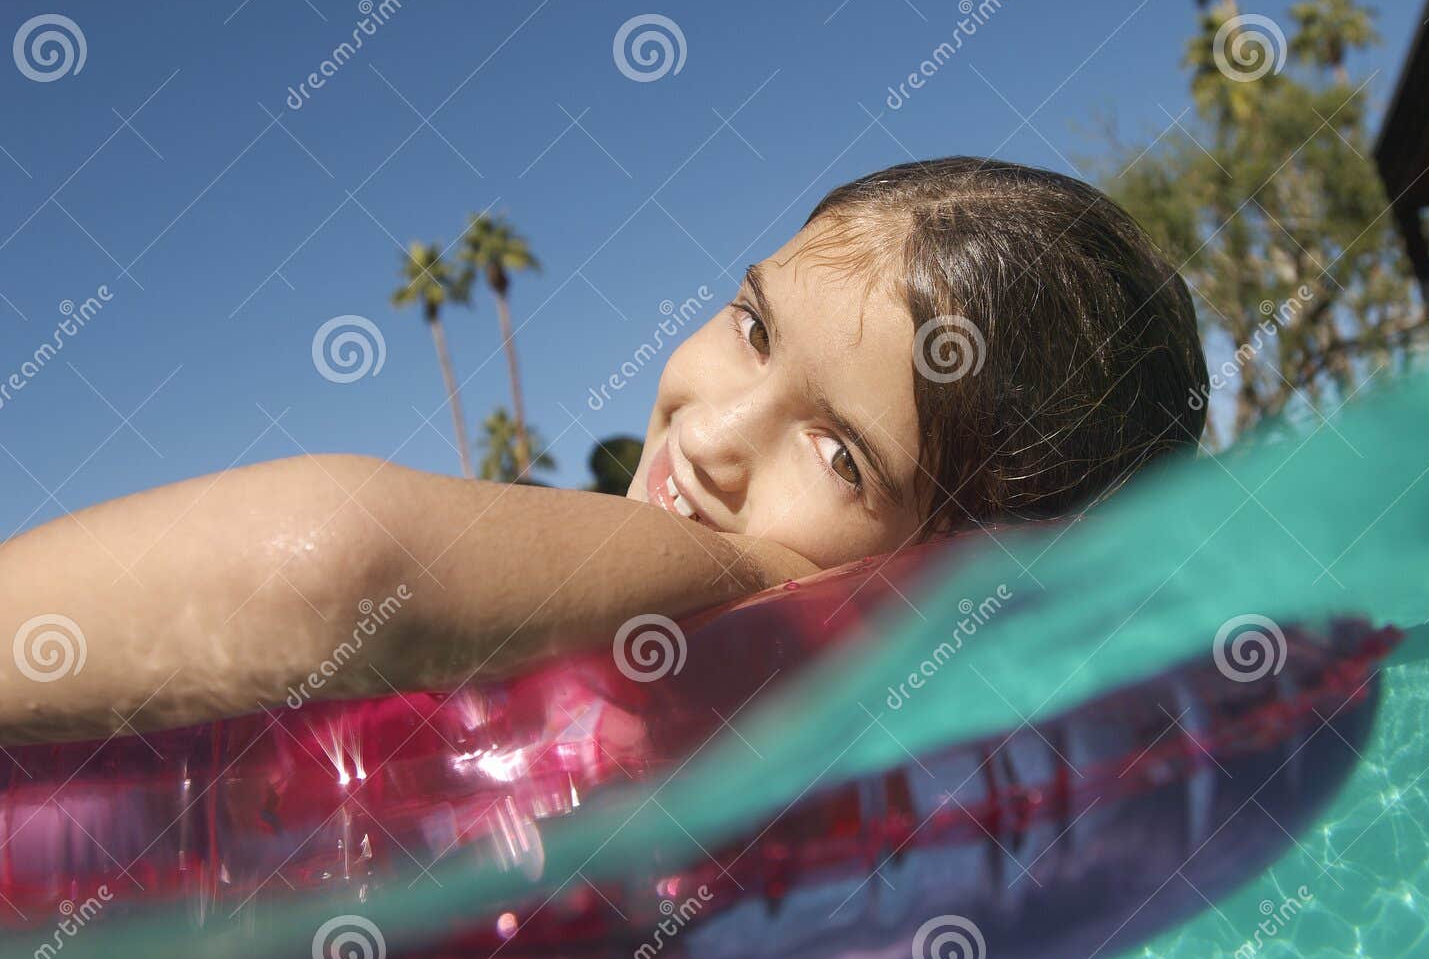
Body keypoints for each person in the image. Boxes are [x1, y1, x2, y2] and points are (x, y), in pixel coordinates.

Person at [0, 157, 1207, 744]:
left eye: (843, 456)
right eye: (751, 327)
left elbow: (328, 568)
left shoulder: (777, 602)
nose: (713, 432)